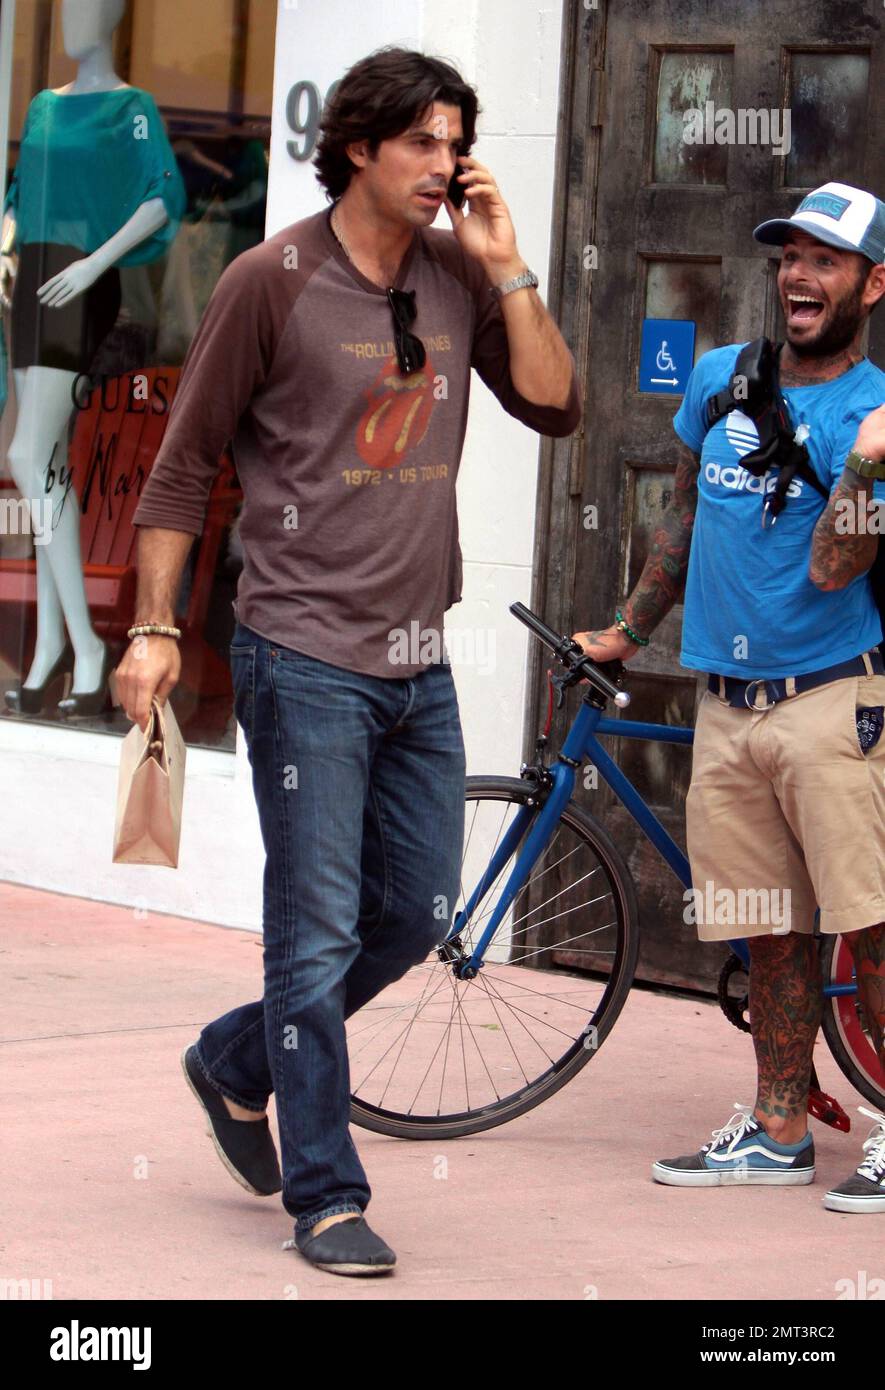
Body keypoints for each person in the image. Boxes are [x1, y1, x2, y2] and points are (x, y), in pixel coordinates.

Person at [116, 45, 582, 1275]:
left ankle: (230, 1060)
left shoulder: (454, 274)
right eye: (422, 141)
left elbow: (557, 401)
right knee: (313, 931)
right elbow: (179, 469)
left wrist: (509, 261)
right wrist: (155, 632)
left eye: (456, 141)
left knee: (418, 908)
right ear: (360, 146)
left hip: (421, 662)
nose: (445, 164)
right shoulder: (270, 281)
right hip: (302, 653)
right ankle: (325, 1192)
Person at [574, 181, 885, 1212]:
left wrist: (874, 463)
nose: (800, 275)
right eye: (789, 256)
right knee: (767, 926)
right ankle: (780, 1127)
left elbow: (840, 566)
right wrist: (629, 626)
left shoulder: (872, 410)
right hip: (727, 701)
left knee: (872, 926)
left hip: (832, 700)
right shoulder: (715, 379)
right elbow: (684, 522)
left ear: (871, 284)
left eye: (826, 260)